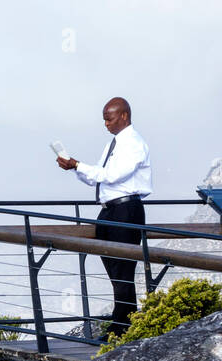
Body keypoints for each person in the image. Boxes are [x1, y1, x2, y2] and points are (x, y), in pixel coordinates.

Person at [57, 97, 152, 337]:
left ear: (124, 116)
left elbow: (112, 176)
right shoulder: (114, 144)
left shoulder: (133, 143)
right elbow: (98, 176)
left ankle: (121, 327)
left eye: (109, 119)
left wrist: (78, 164)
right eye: (104, 120)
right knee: (115, 270)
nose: (106, 124)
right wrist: (74, 167)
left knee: (122, 271)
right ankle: (123, 322)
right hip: (109, 211)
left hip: (126, 210)